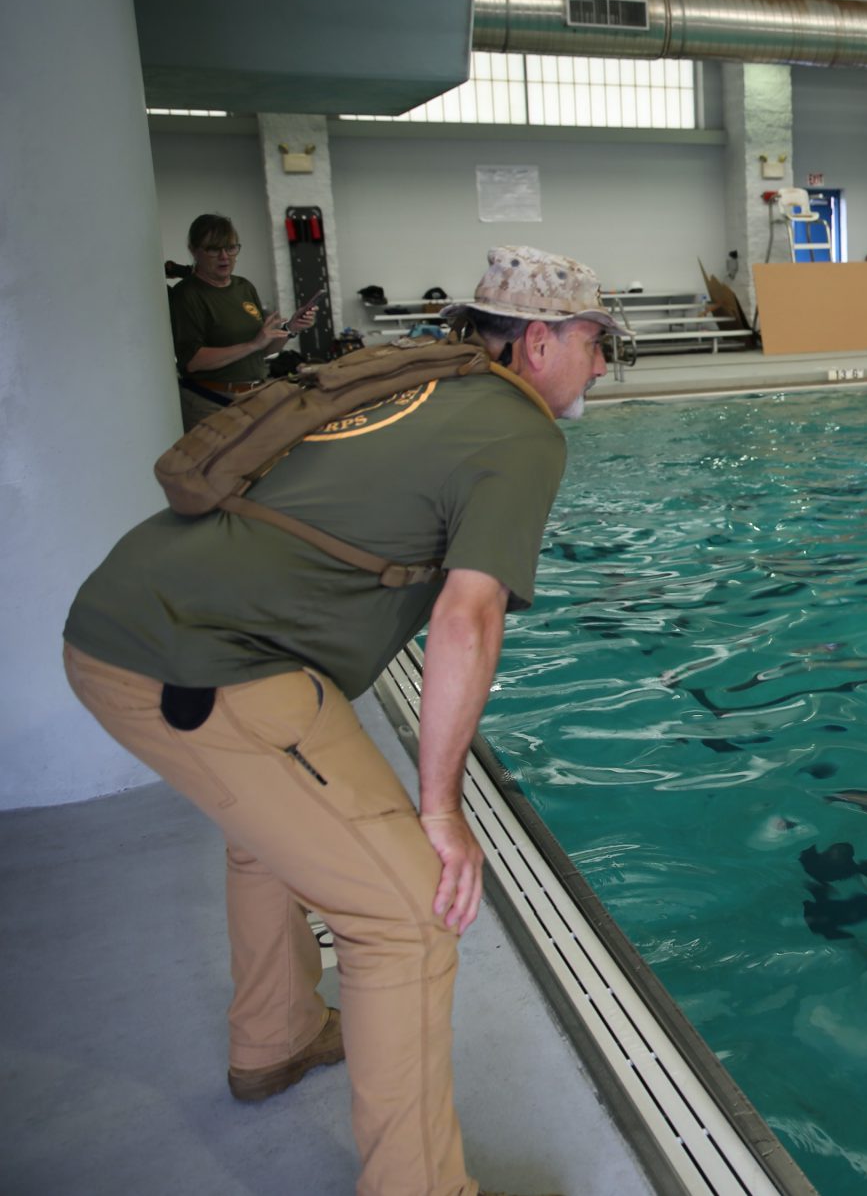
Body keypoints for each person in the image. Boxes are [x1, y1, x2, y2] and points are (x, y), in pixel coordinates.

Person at [63, 246, 620, 1196]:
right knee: (407, 915)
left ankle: (274, 1036)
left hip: (128, 614)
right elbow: (466, 615)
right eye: (597, 343)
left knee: (273, 836)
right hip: (203, 663)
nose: (603, 364)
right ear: (539, 342)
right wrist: (440, 808)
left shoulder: (418, 376)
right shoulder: (524, 433)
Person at [170, 213, 322, 432]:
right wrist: (252, 345)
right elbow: (192, 361)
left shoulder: (244, 287)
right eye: (214, 249)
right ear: (194, 251)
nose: (224, 256)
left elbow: (262, 349)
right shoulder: (187, 295)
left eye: (231, 248)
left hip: (252, 397)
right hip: (211, 403)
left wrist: (290, 329)